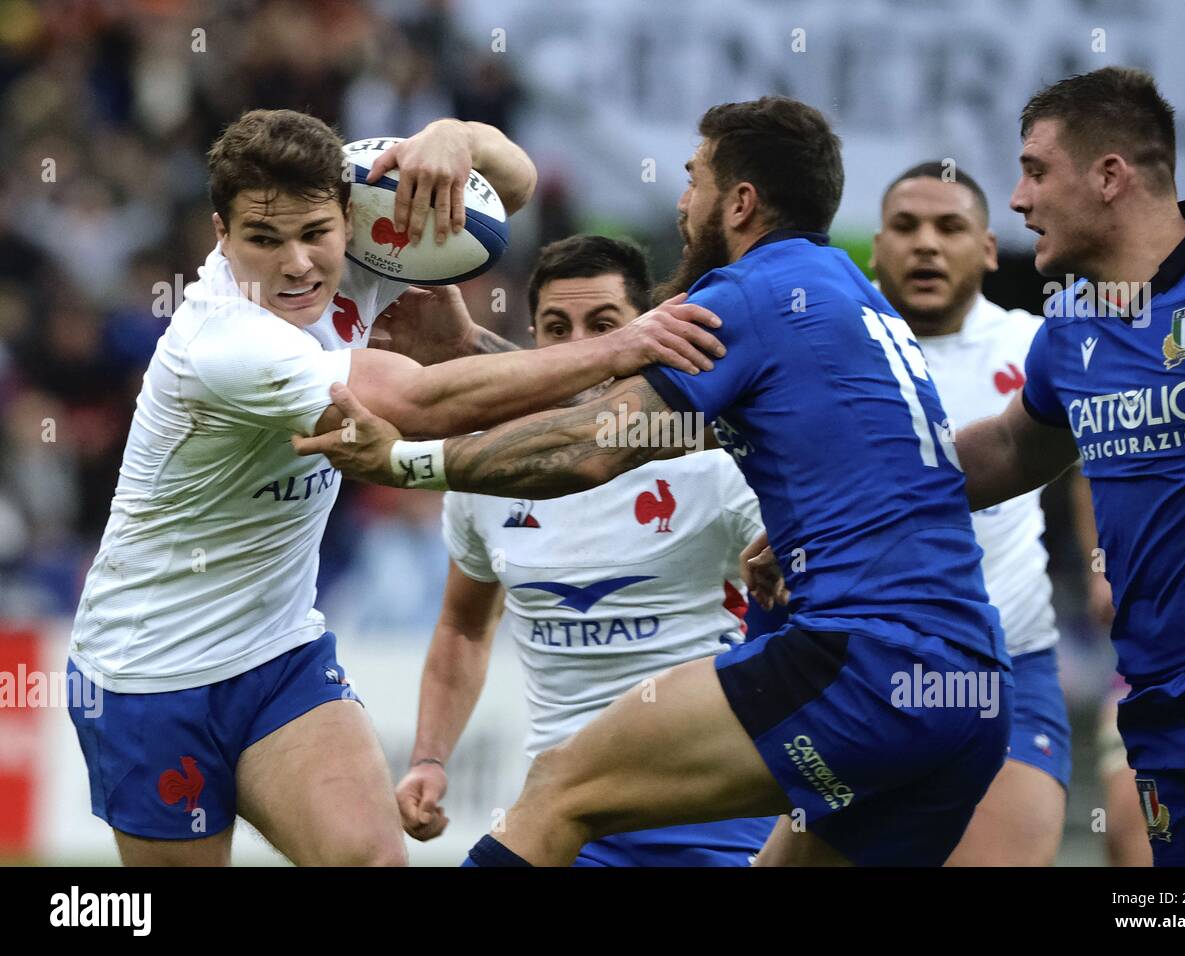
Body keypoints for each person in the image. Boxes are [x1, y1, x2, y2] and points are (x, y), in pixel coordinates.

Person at [297, 95, 1012, 867]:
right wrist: (471, 346)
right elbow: (656, 424)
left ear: (740, 203)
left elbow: (593, 446)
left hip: (867, 661)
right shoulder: (849, 295)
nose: (681, 202)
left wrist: (402, 461)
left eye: (692, 179)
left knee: (560, 787)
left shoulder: (748, 293)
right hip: (969, 687)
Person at [66, 108, 723, 866]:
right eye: (262, 240)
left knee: (373, 860)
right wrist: (623, 344)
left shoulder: (365, 228)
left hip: (277, 651)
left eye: (316, 234)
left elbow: (513, 186)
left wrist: (458, 138)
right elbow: (418, 403)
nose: (297, 266)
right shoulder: (221, 343)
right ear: (221, 232)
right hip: (152, 670)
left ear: (352, 214)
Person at [950, 67, 1185, 867]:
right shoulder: (1071, 334)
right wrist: (839, 513)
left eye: (1036, 170)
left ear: (1110, 176)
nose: (1017, 198)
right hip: (1163, 707)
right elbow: (1008, 450)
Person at [396, 234, 775, 865]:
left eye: (604, 325)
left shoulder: (710, 466)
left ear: (647, 330)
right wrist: (430, 759)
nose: (582, 348)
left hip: (710, 810)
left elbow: (804, 578)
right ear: (533, 339)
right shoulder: (486, 475)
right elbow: (463, 627)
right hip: (566, 814)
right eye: (556, 327)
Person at [870, 161, 1070, 865]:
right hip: (854, 669)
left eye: (950, 227)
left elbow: (1086, 460)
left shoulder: (1036, 344)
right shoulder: (823, 342)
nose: (926, 244)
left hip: (1003, 667)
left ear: (988, 249)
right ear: (874, 247)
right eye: (906, 226)